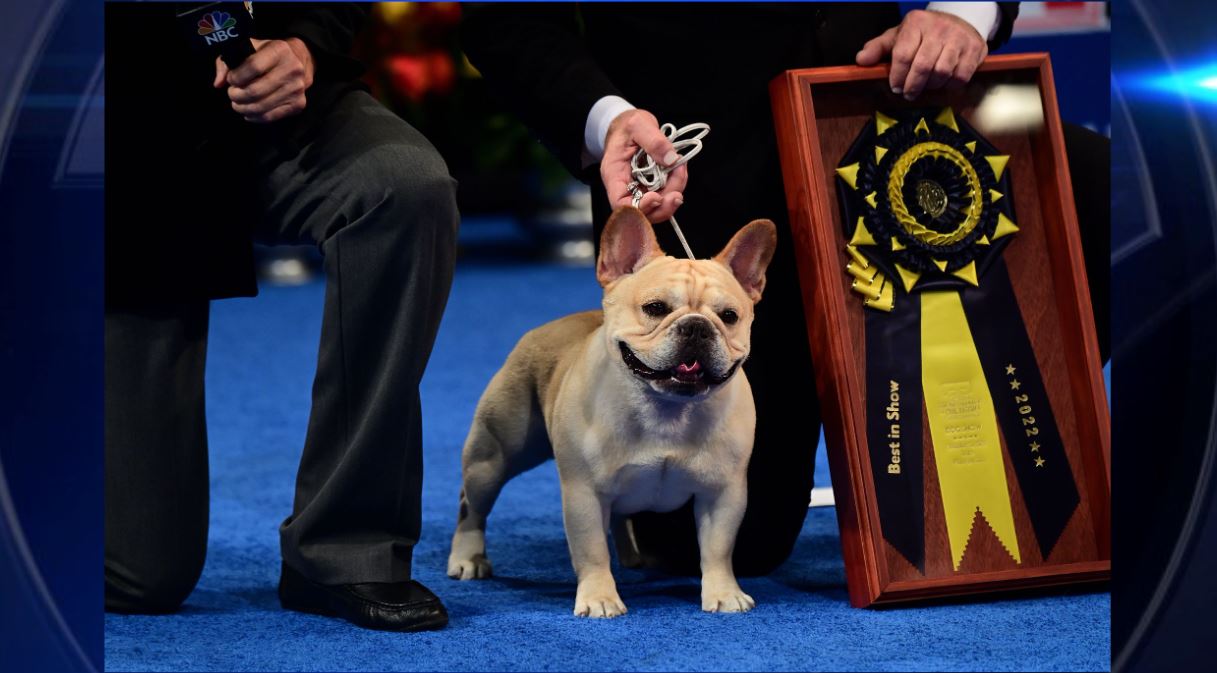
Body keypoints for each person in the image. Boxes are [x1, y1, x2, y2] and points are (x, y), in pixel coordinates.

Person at [462, 2, 1109, 576]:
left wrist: (962, 13)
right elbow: (504, 19)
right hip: (692, 160)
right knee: (730, 546)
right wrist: (606, 118)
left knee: (1120, 191)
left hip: (894, 111)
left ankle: (1002, 459)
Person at [105, 3, 455, 631]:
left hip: (263, 107)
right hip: (110, 123)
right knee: (141, 574)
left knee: (401, 183)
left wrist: (303, 45)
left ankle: (347, 545)